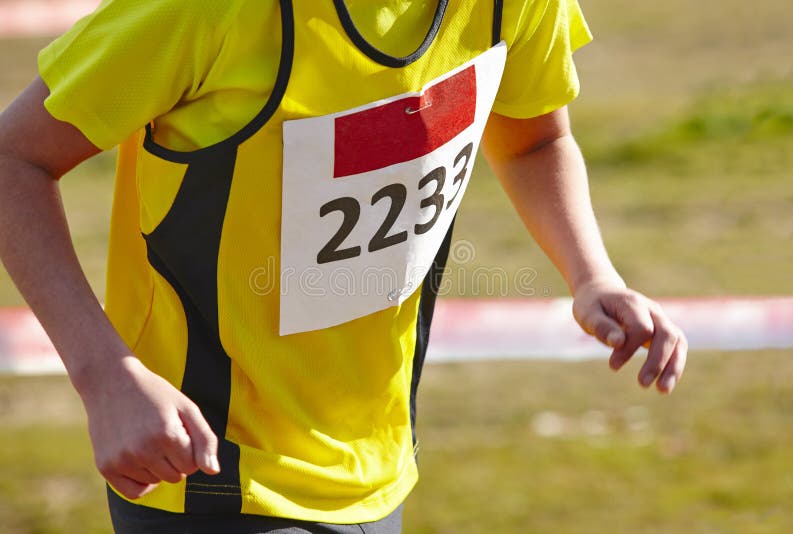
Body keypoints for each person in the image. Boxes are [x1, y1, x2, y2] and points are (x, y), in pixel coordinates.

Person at [0, 0, 687, 532]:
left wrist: (592, 274)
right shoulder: (213, 11)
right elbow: (13, 159)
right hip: (209, 467)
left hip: (377, 468)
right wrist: (107, 378)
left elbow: (536, 137)